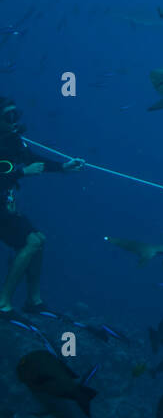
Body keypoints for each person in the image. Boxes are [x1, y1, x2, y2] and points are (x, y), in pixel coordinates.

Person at [0, 98, 83, 313]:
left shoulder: (13, 141)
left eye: (16, 114)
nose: (15, 120)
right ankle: (3, 302)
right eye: (9, 116)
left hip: (4, 208)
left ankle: (33, 300)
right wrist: (21, 173)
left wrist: (62, 167)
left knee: (38, 240)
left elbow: (32, 158)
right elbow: (23, 169)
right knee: (31, 241)